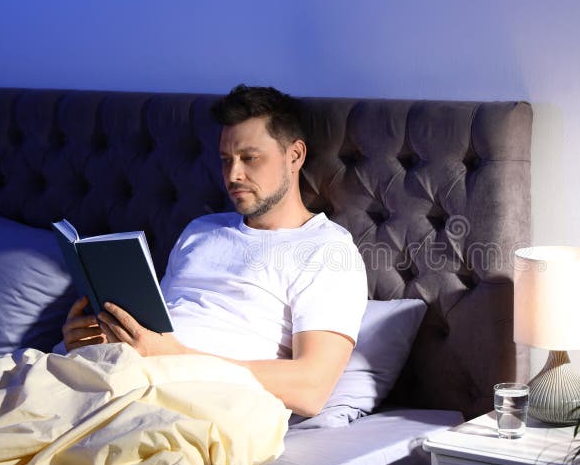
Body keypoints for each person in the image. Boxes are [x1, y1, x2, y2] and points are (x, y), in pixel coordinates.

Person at [60, 85, 368, 417]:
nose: (233, 175)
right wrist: (93, 338)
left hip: (193, 399)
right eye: (225, 160)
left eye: (250, 158)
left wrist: (173, 357)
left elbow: (311, 388)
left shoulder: (327, 251)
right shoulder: (200, 231)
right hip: (118, 374)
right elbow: (160, 330)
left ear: (294, 155)